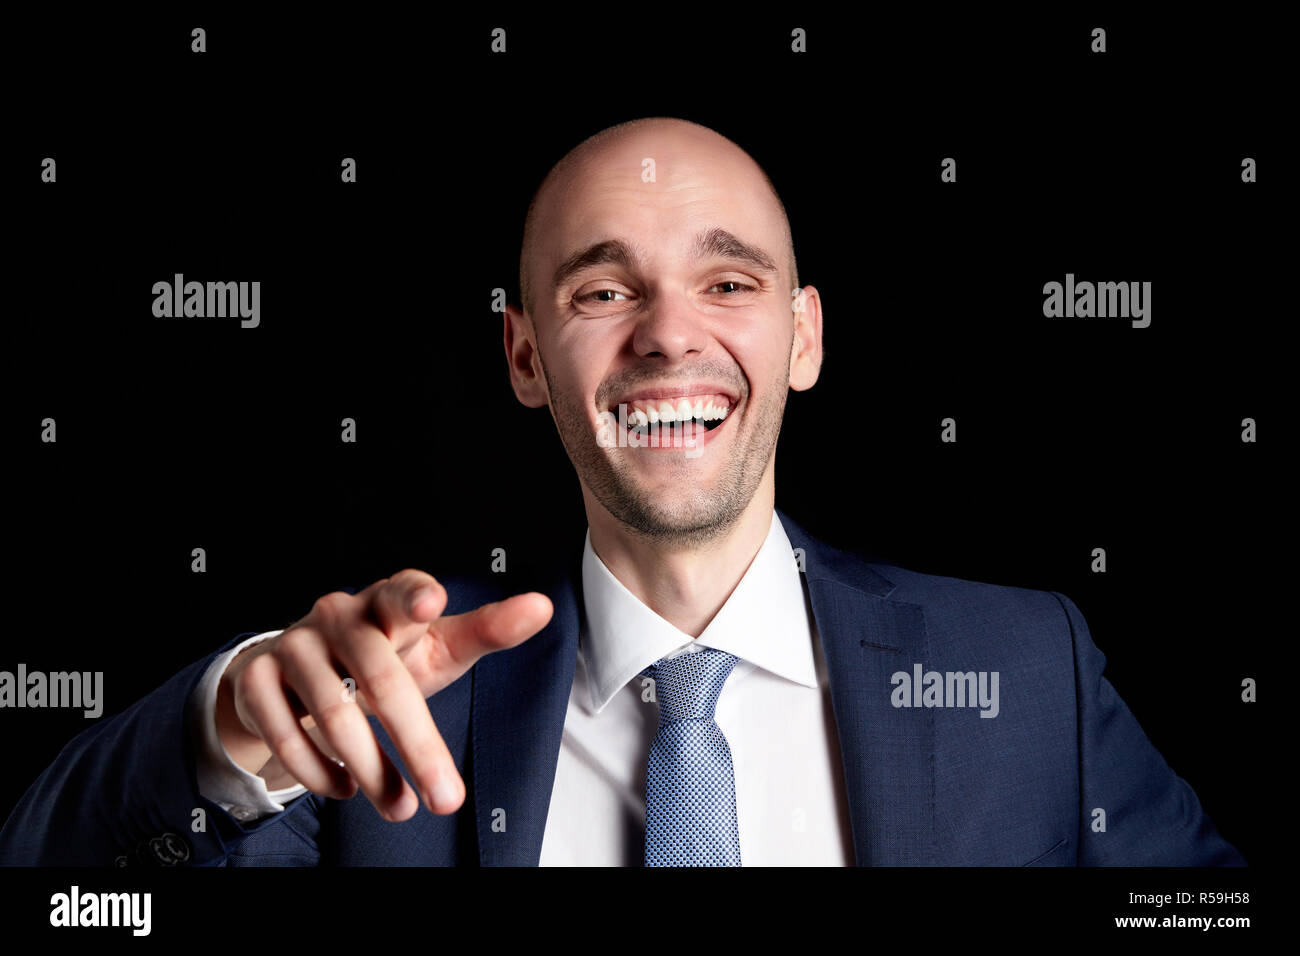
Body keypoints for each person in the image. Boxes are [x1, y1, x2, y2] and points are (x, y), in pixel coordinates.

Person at [0, 117, 1244, 866]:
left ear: (804, 339)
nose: (666, 336)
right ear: (526, 357)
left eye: (730, 283)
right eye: (603, 292)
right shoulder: (388, 705)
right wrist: (224, 734)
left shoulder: (1029, 670)